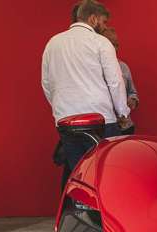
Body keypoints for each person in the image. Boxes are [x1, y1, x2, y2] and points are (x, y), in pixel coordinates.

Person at [41, 0, 130, 188]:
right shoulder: (100, 42)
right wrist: (123, 112)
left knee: (78, 174)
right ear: (93, 19)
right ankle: (103, 216)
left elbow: (47, 84)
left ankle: (80, 212)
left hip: (67, 119)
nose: (105, 27)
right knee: (107, 174)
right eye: (103, 22)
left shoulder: (53, 43)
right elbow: (115, 82)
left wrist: (60, 110)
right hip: (101, 119)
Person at [101, 27, 139, 134]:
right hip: (105, 128)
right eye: (111, 44)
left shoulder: (123, 67)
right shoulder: (94, 70)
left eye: (116, 44)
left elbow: (133, 93)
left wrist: (132, 100)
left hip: (125, 127)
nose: (115, 48)